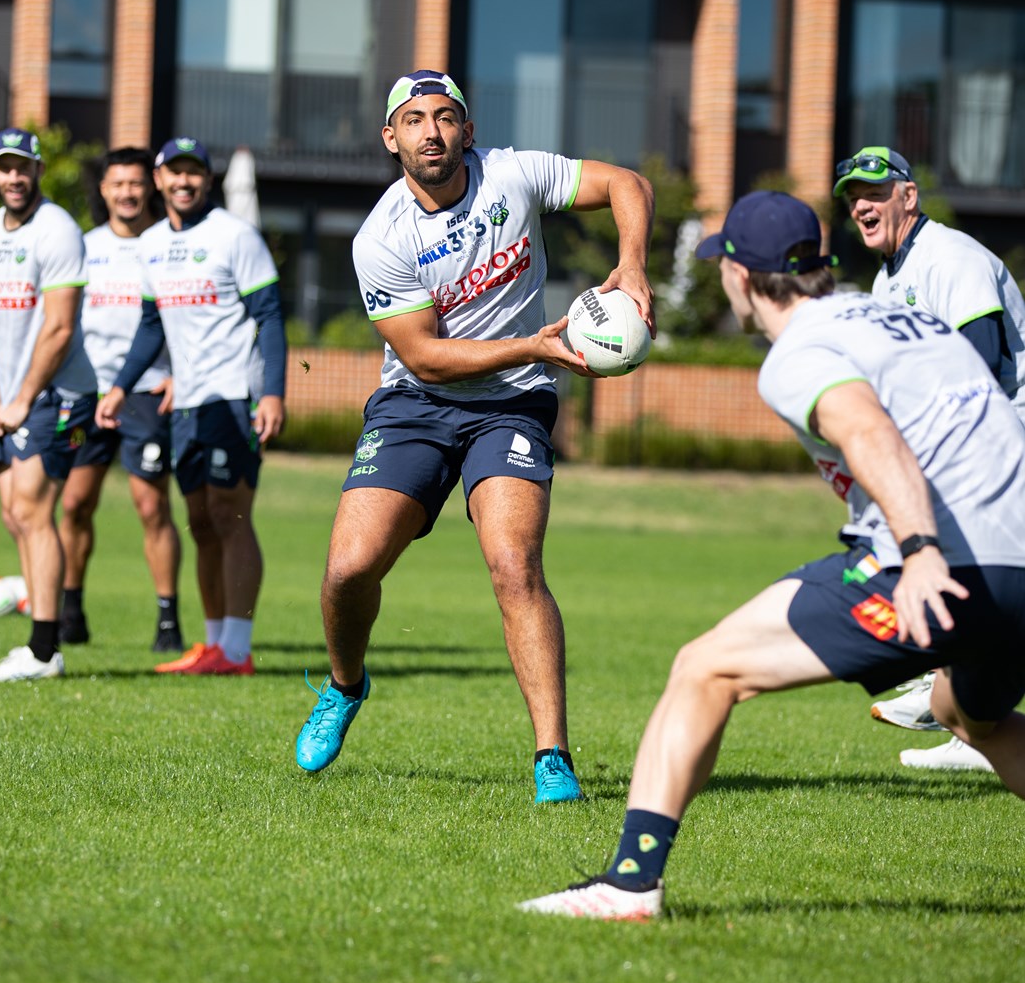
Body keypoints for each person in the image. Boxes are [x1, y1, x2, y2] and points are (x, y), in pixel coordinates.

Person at [520, 189, 1025, 921]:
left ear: (742, 278)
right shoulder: (905, 316)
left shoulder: (799, 350)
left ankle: (629, 885)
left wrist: (917, 550)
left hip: (943, 562)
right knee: (970, 715)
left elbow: (868, 431)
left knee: (704, 666)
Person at [293, 69, 656, 803]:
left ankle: (551, 756)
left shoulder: (513, 176)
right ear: (390, 138)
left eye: (446, 117)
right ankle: (344, 685)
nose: (432, 131)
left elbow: (627, 183)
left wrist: (633, 263)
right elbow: (424, 355)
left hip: (513, 404)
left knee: (513, 562)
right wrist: (536, 346)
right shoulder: (382, 237)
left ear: (468, 129)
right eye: (415, 120)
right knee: (348, 570)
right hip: (416, 403)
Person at [837, 146, 1025, 772]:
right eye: (852, 196)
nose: (862, 204)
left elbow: (983, 363)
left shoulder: (952, 259)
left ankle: (951, 690)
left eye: (874, 190)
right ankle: (960, 711)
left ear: (908, 196)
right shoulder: (889, 276)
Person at [96, 137, 286, 676]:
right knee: (199, 521)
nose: (183, 182)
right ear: (160, 180)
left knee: (232, 514)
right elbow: (151, 325)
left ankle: (239, 650)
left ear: (208, 179)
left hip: (234, 396)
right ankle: (212, 645)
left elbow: (270, 316)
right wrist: (119, 386)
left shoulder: (235, 235)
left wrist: (272, 392)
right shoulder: (153, 244)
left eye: (193, 173)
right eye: (173, 173)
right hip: (185, 403)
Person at [0, 128, 97, 682]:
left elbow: (60, 325)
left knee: (31, 511)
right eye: (5, 167)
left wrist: (22, 398)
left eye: (24, 167)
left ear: (39, 170)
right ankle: (40, 646)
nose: (14, 177)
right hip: (16, 399)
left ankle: (44, 651)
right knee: (13, 515)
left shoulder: (58, 230)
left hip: (60, 395)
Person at [56, 147, 184, 652]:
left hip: (147, 394)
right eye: (118, 184)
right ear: (104, 190)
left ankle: (168, 620)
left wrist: (177, 373)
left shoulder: (165, 245)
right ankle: (70, 610)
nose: (127, 192)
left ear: (148, 187)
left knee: (151, 506)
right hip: (88, 394)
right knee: (74, 503)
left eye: (135, 183)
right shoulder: (83, 248)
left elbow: (184, 312)